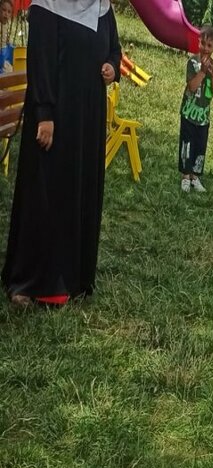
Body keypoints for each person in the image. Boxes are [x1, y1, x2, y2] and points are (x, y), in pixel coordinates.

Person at [3, 0, 121, 306]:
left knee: (76, 191)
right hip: (56, 116)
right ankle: (29, 283)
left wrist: (112, 66)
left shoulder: (102, 7)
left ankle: (72, 278)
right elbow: (40, 61)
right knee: (44, 195)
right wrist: (44, 113)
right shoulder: (48, 4)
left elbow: (113, 49)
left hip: (87, 120)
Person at [177, 26, 213, 193]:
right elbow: (191, 86)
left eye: (209, 45)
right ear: (198, 43)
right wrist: (202, 72)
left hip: (203, 116)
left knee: (200, 146)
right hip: (189, 113)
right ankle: (185, 176)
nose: (205, 48)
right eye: (203, 43)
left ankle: (195, 176)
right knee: (187, 144)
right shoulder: (192, 62)